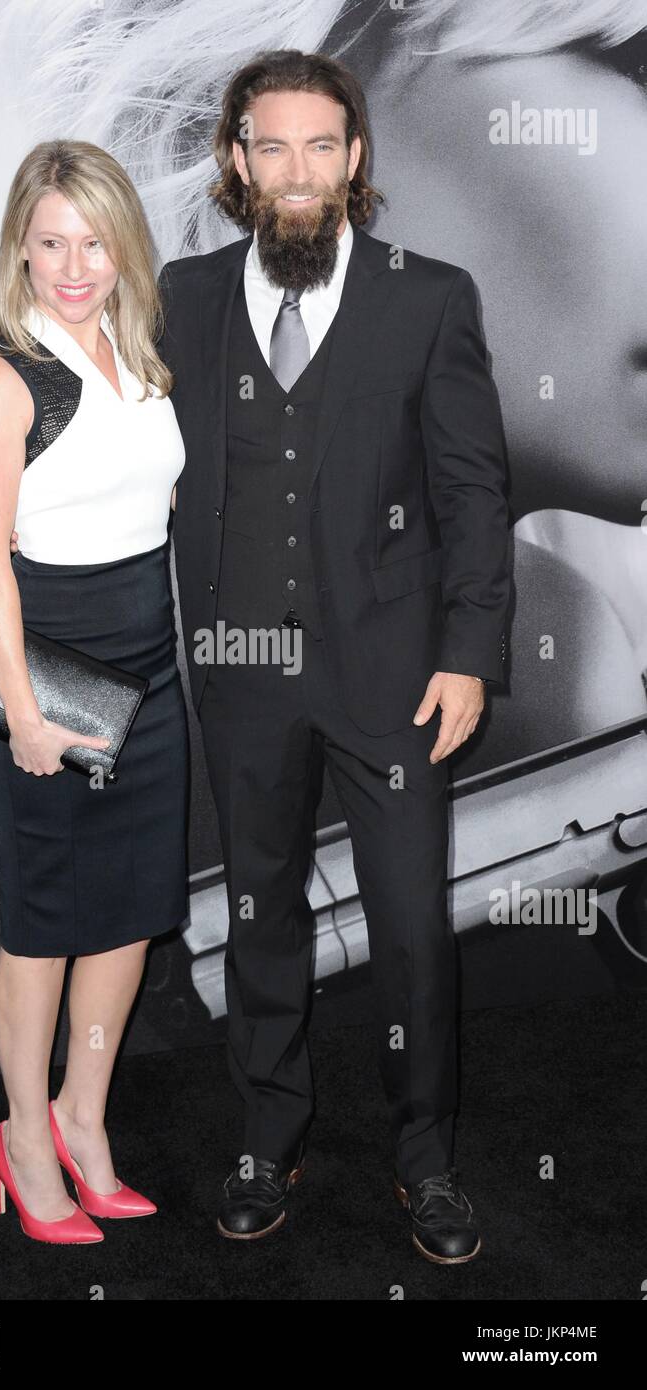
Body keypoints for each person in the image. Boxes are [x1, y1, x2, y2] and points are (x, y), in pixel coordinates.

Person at [156, 49, 511, 1261]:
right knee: (262, 916)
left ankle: (427, 1156)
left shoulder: (430, 296)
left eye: (322, 147)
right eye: (273, 148)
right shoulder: (183, 297)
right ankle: (267, 1134)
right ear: (236, 162)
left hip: (396, 676)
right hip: (242, 673)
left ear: (355, 160)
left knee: (412, 921)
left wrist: (469, 650)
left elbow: (470, 487)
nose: (297, 173)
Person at [0, 139, 188, 1244]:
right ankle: (24, 1140)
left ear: (123, 241)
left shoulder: (141, 355)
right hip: (50, 680)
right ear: (21, 250)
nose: (74, 264)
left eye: (93, 240)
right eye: (51, 243)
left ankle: (83, 1121)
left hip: (152, 681)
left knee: (130, 918)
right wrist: (27, 713)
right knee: (44, 926)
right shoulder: (6, 378)